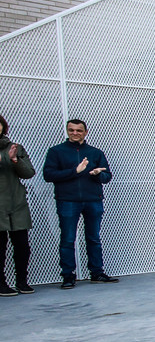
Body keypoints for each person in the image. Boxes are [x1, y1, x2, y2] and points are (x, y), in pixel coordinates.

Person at [42, 118, 116, 289]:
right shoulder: (56, 152)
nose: (75, 133)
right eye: (71, 130)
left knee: (94, 238)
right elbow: (49, 175)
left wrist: (98, 173)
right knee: (68, 239)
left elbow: (107, 176)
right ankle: (68, 275)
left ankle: (97, 272)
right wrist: (74, 171)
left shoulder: (96, 152)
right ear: (67, 131)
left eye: (79, 130)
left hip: (93, 200)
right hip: (68, 200)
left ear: (86, 132)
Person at [0, 114, 35, 295]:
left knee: (22, 246)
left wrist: (15, 160)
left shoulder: (16, 148)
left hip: (16, 204)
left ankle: (22, 281)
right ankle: (1, 283)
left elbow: (29, 173)